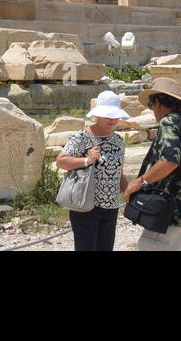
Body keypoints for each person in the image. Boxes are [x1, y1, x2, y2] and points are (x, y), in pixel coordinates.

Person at [125, 77, 181, 251]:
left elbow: (169, 161)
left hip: (173, 214)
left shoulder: (168, 122)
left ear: (157, 103)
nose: (152, 110)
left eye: (150, 106)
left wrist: (139, 182)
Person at [55, 90, 132, 251]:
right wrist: (86, 161)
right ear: (98, 115)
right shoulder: (81, 137)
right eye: (108, 116)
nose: (112, 120)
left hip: (111, 208)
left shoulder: (119, 141)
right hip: (85, 207)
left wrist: (131, 192)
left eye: (115, 116)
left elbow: (119, 173)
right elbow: (61, 161)